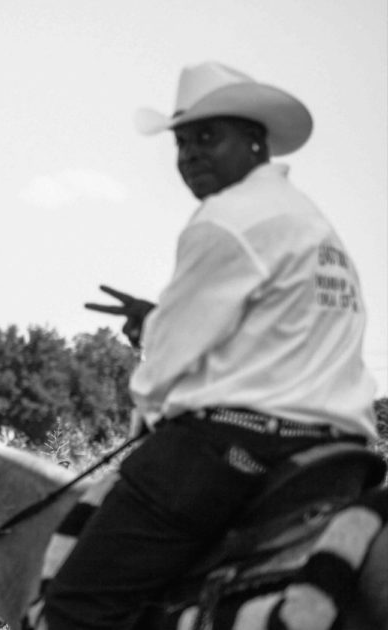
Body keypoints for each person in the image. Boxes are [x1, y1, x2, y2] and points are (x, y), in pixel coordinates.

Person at [43, 61, 379, 630]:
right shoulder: (314, 227)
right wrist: (159, 324)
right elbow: (274, 340)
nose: (190, 154)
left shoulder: (223, 220)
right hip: (341, 455)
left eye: (207, 137)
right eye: (181, 143)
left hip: (230, 450)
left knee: (77, 607)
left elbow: (163, 373)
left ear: (255, 141)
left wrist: (143, 430)